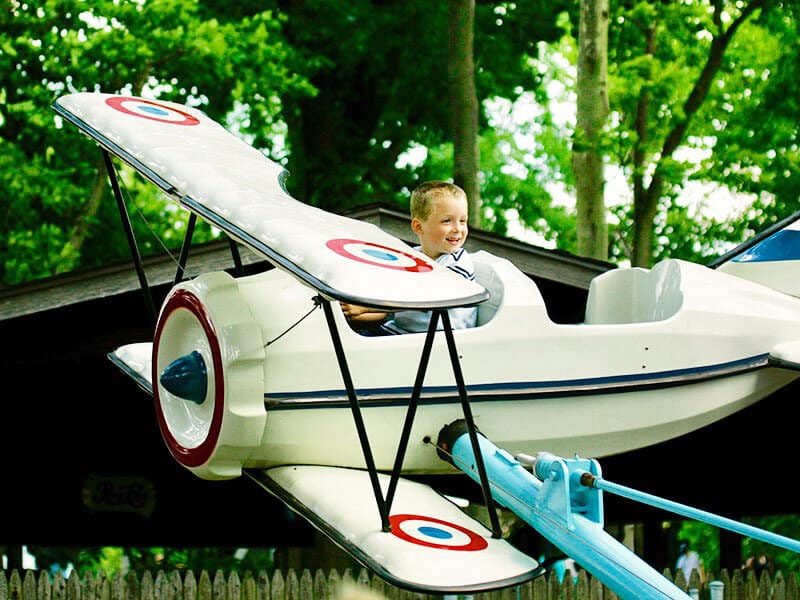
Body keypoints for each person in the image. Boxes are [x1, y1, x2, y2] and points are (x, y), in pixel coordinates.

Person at [341, 180, 478, 334]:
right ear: (419, 227)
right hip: (402, 332)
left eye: (462, 221)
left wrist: (365, 306)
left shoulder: (458, 263)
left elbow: (419, 298)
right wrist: (352, 314)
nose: (457, 229)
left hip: (441, 340)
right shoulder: (411, 258)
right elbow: (388, 310)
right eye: (447, 221)